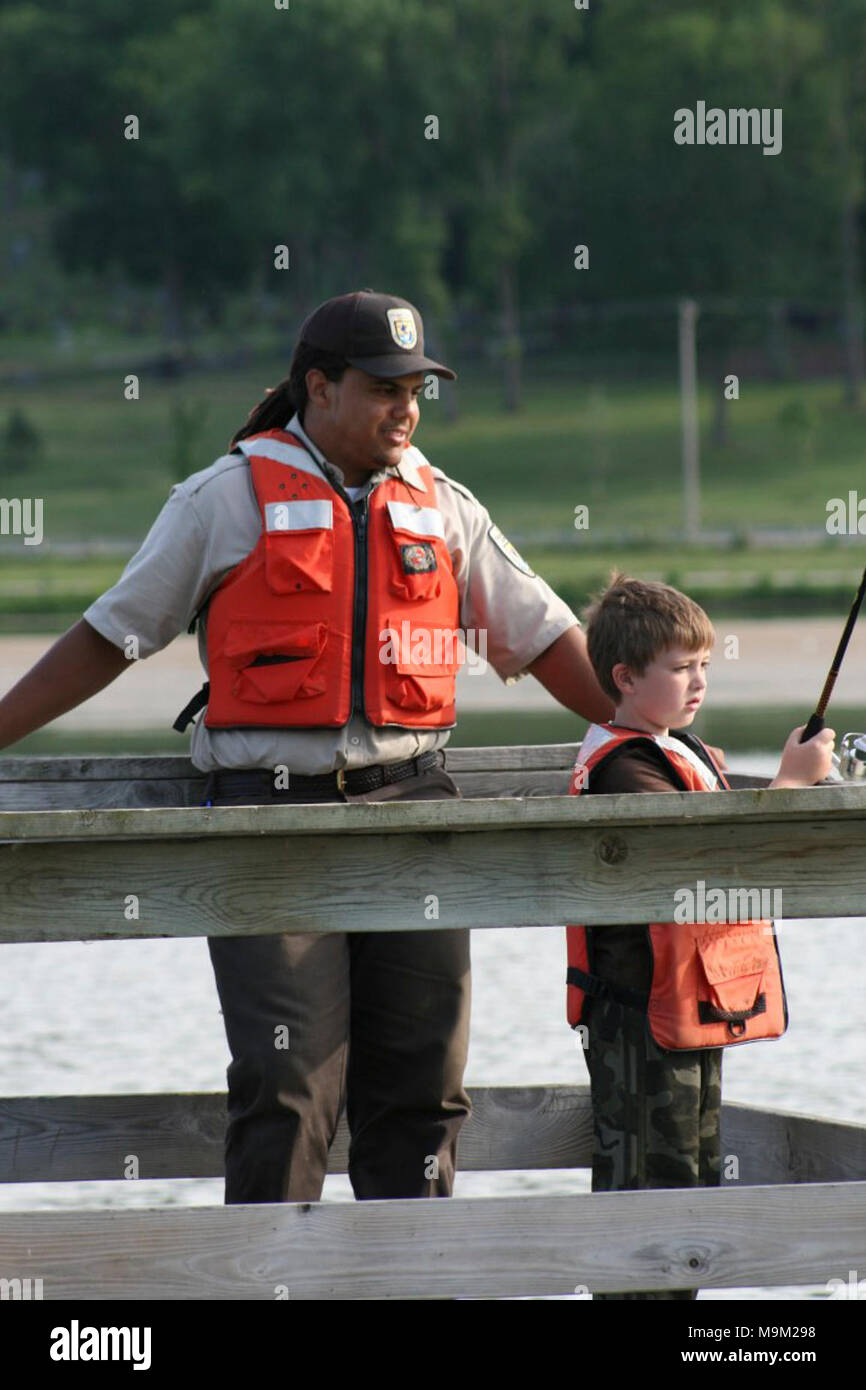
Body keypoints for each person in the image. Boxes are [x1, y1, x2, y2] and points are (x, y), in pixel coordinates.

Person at [0, 288, 613, 1205]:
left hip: (414, 813)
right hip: (267, 823)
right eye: (383, 387)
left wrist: (668, 746)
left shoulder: (443, 506)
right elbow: (110, 637)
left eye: (418, 389)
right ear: (318, 389)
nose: (406, 406)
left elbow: (547, 639)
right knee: (288, 1090)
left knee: (421, 1092)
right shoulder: (223, 499)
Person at [564, 572, 834, 1299]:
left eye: (705, 665)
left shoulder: (681, 751)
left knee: (694, 1173)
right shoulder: (625, 767)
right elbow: (707, 858)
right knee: (655, 1192)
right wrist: (791, 787)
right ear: (624, 678)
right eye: (681, 667)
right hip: (638, 1021)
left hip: (687, 1015)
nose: (698, 682)